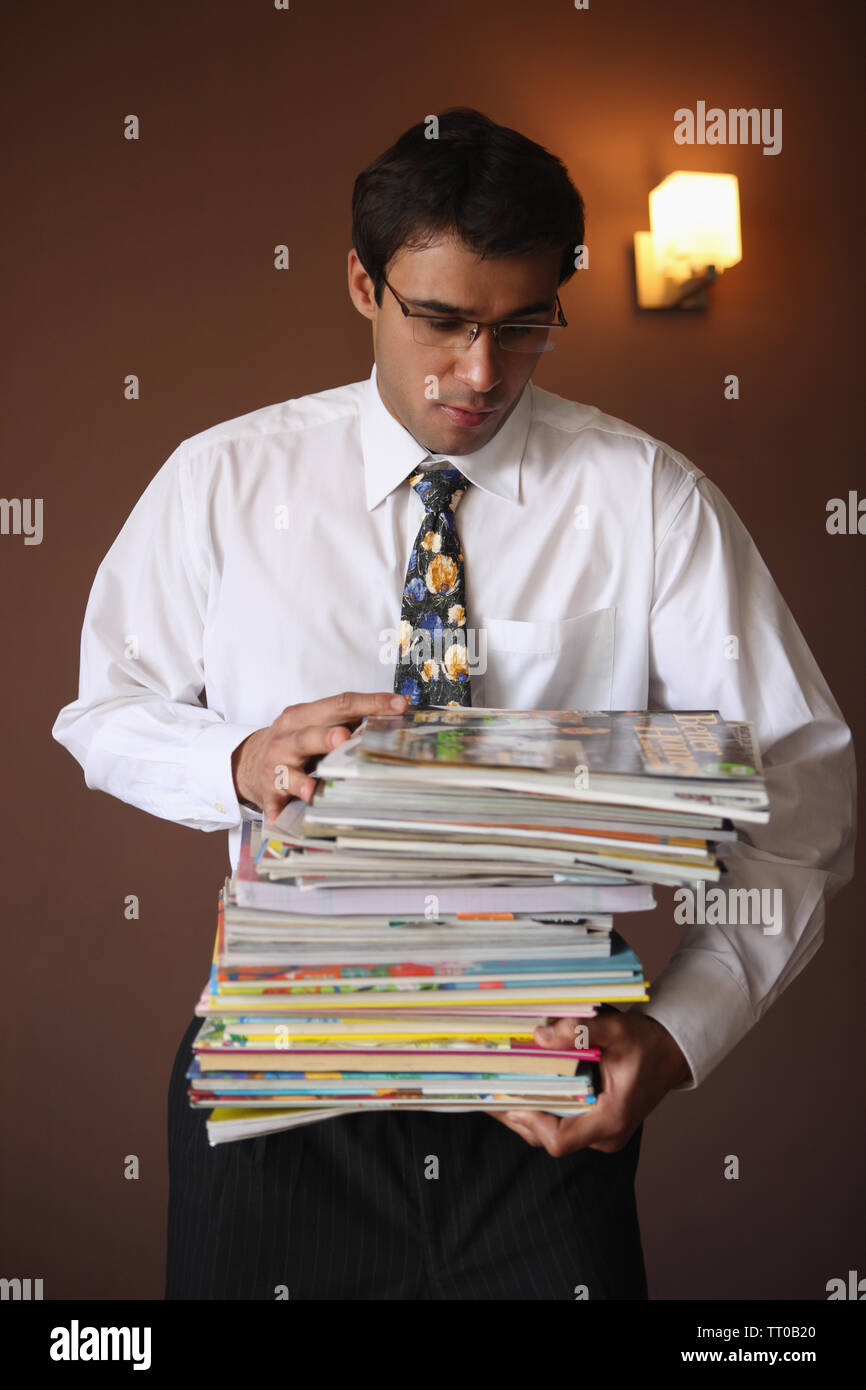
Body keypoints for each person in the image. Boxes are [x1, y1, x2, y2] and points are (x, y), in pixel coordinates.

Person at [52, 108, 855, 1300]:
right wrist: (240, 757)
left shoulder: (647, 500)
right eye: (441, 320)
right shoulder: (221, 481)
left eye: (523, 325)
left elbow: (803, 795)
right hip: (280, 1100)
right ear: (360, 285)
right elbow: (103, 711)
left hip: (542, 1098)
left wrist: (678, 1036)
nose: (480, 374)